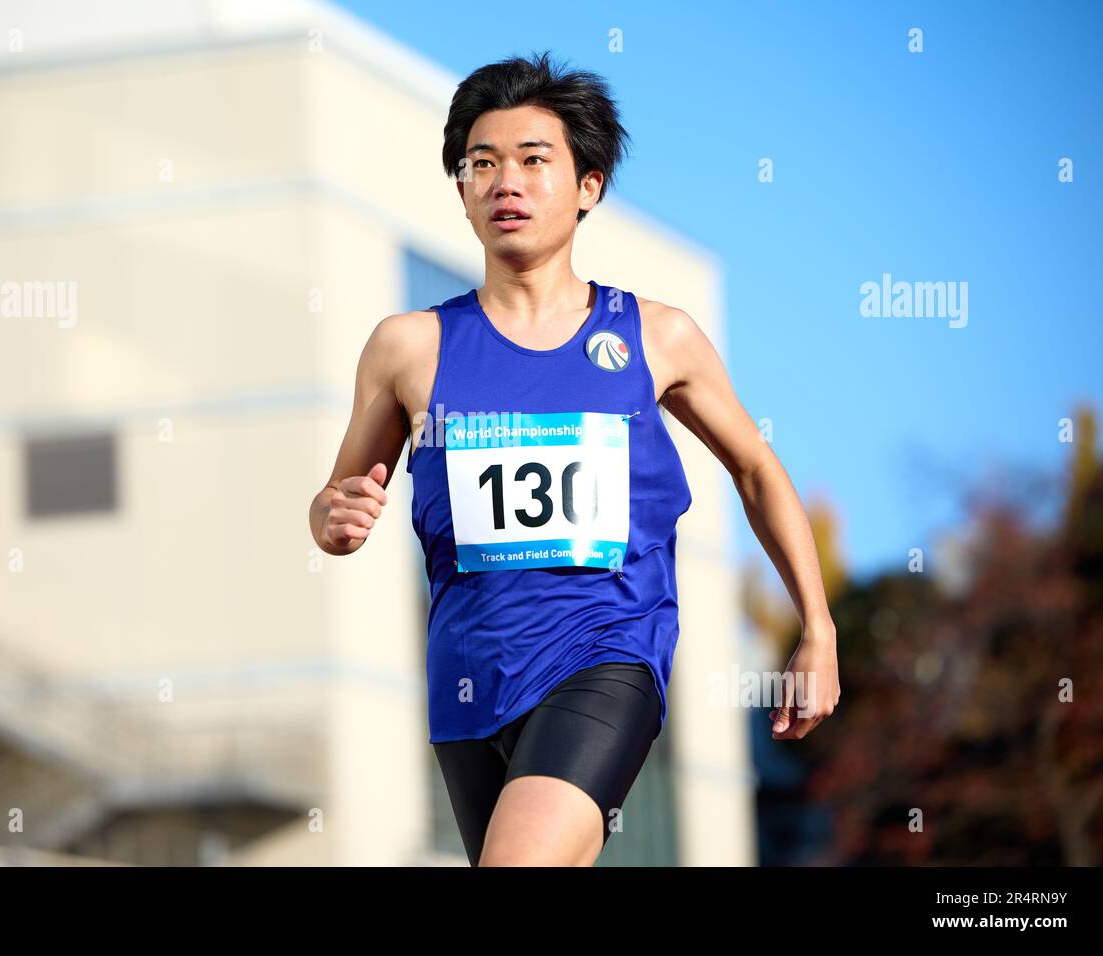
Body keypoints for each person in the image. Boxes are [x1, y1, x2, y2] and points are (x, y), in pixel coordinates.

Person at [307, 51, 840, 866]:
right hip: (467, 686)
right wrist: (334, 521)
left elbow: (756, 470)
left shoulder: (653, 337)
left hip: (603, 656)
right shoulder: (408, 349)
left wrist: (818, 626)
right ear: (460, 190)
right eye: (480, 164)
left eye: (532, 161)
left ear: (588, 186)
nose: (504, 183)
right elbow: (336, 501)